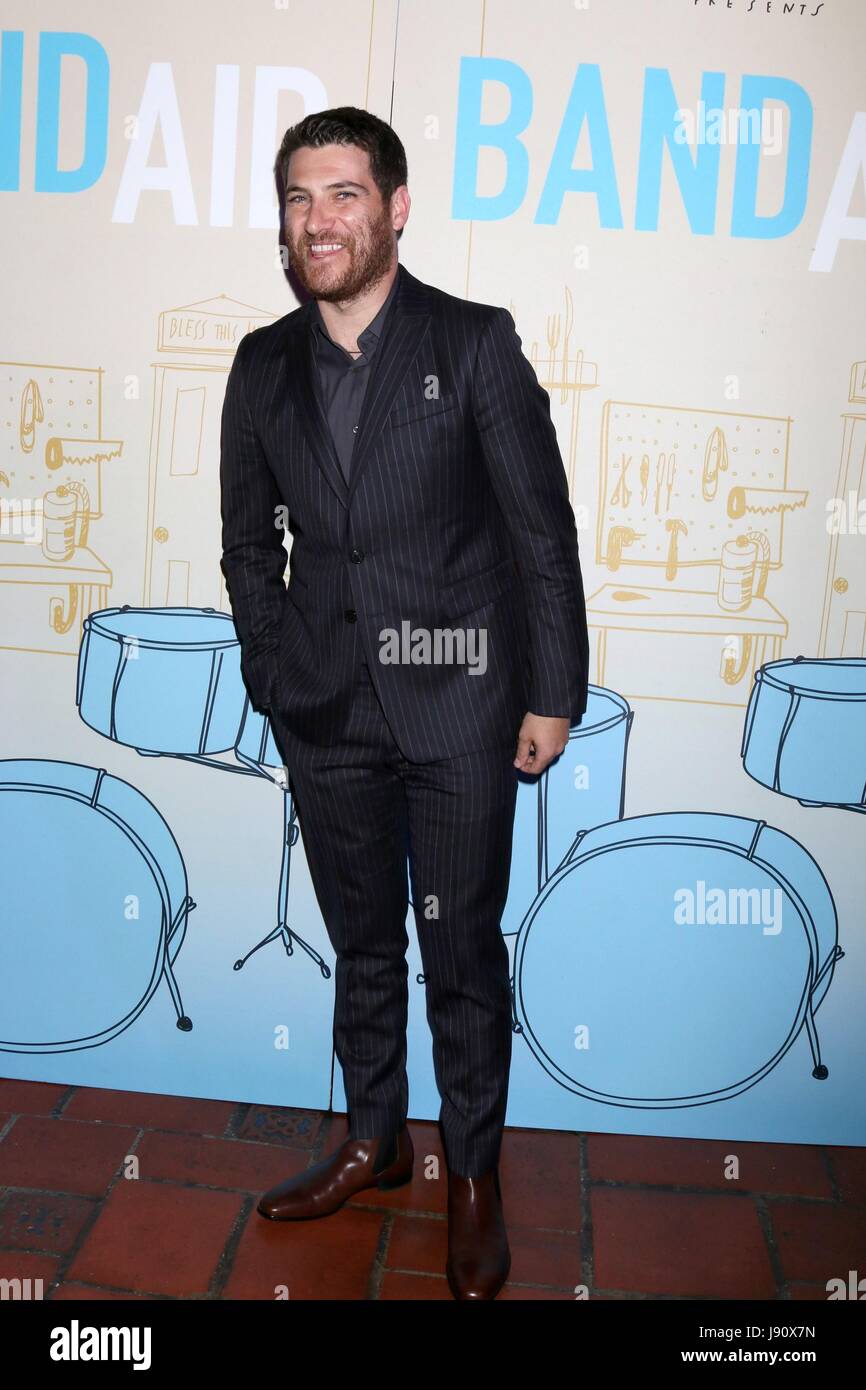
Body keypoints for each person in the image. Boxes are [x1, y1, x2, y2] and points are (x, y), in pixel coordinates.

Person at [219, 106, 589, 1300]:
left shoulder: (472, 343)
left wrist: (550, 693)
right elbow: (243, 546)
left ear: (394, 206)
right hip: (323, 712)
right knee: (362, 946)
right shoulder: (260, 361)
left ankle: (471, 1174)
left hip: (461, 712)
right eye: (297, 198)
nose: (317, 220)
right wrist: (272, 671)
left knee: (461, 951)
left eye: (341, 194)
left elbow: (541, 532)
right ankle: (374, 1142)